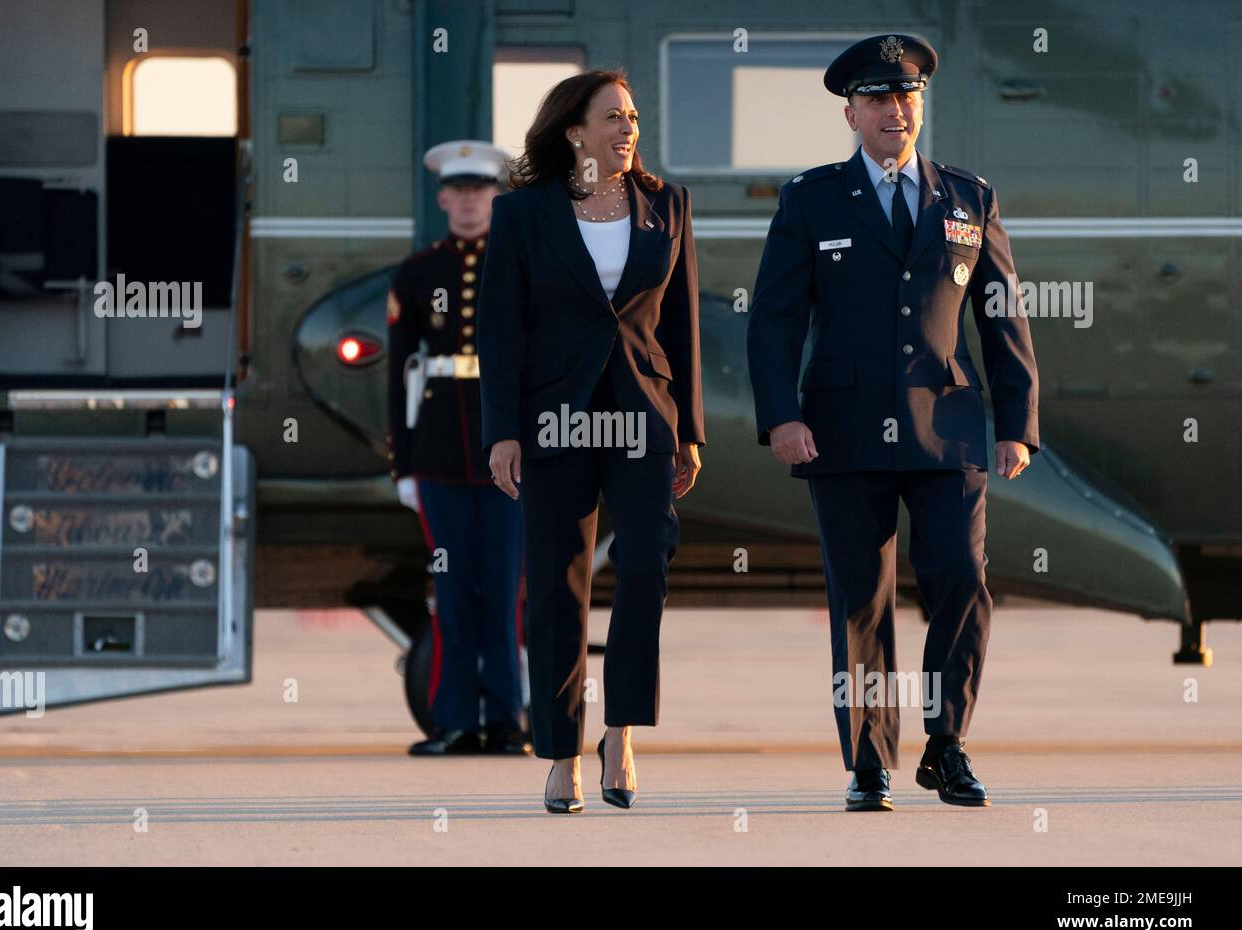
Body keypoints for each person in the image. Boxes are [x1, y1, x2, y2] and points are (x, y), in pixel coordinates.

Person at [747, 34, 1040, 811]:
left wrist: (1017, 423)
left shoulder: (968, 197)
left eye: (906, 96)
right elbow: (775, 317)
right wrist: (780, 416)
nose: (894, 110)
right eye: (877, 99)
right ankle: (869, 760)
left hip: (948, 431)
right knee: (860, 601)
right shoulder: (809, 198)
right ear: (851, 112)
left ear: (920, 106)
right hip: (841, 432)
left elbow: (1002, 314)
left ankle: (947, 747)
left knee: (961, 585)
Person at [477, 70, 704, 813]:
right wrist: (503, 431)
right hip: (555, 419)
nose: (628, 127)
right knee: (555, 585)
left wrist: (690, 432)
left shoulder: (667, 205)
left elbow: (682, 327)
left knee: (645, 563)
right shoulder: (523, 215)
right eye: (613, 116)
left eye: (633, 115)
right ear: (575, 131)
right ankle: (559, 754)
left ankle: (621, 734)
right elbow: (500, 331)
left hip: (644, 416)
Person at [386, 140, 529, 756]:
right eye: (460, 192)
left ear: (497, 197)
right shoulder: (418, 273)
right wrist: (404, 463)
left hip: (512, 454)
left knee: (503, 592)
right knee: (451, 593)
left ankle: (505, 721)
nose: (471, 202)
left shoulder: (523, 264)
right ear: (444, 198)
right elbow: (400, 372)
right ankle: (453, 721)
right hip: (441, 453)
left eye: (482, 191)